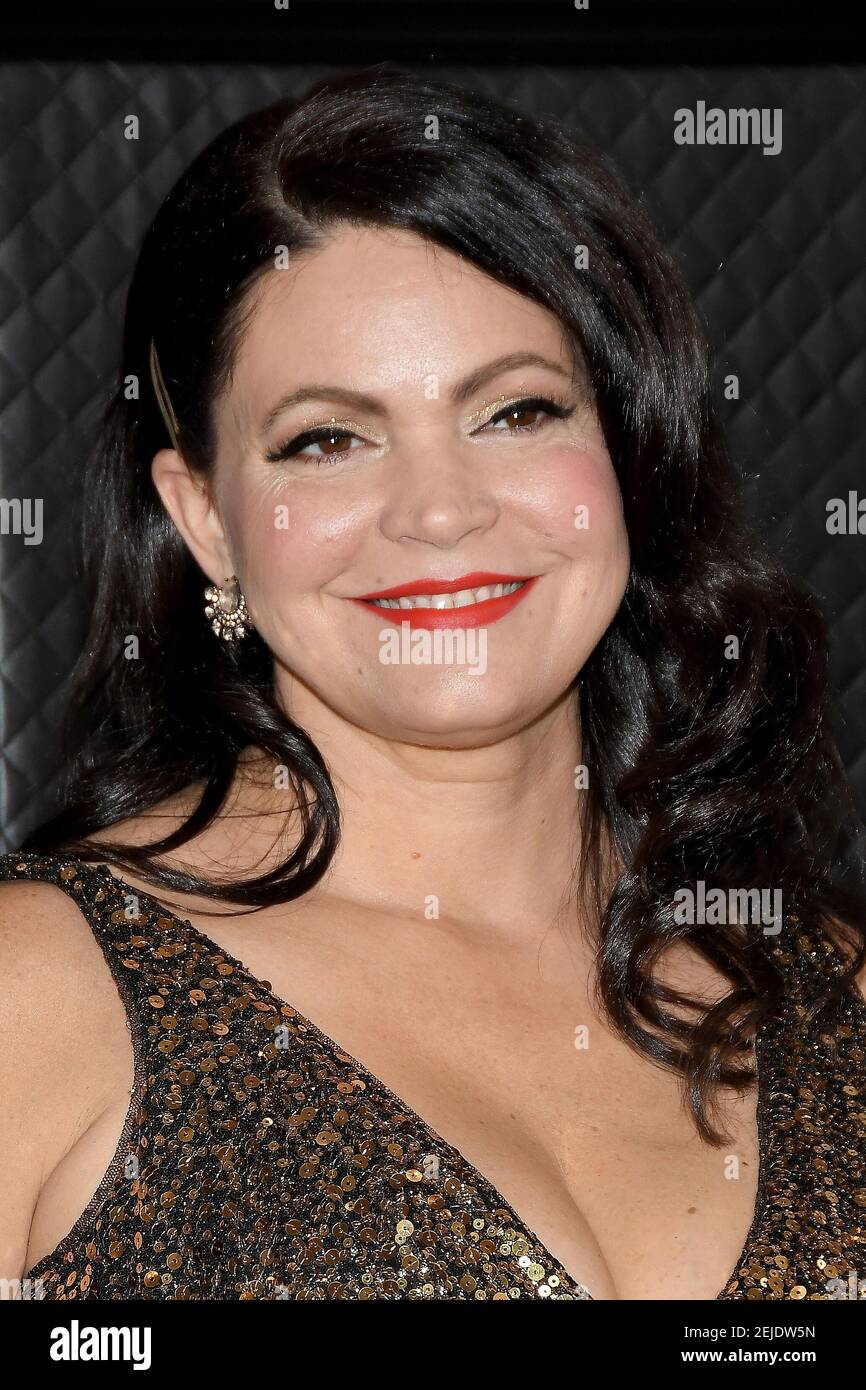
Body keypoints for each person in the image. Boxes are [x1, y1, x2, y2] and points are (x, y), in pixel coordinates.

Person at [1, 66, 864, 1302]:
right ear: (205, 521)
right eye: (326, 439)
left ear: (621, 446)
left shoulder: (825, 988)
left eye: (514, 411)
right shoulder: (38, 999)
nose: (443, 512)